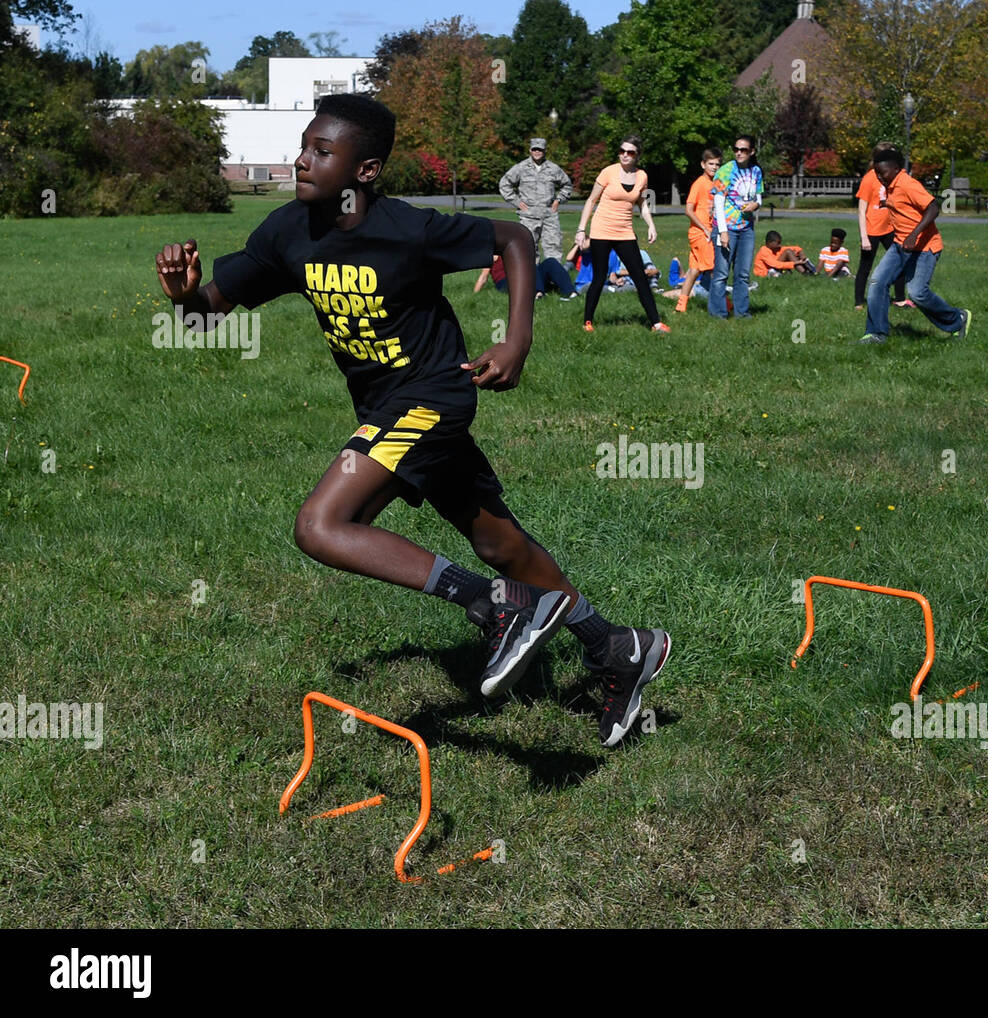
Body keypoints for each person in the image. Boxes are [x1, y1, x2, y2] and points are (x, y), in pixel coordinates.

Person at [154, 94, 669, 748]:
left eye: (321, 151)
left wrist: (516, 341)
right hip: (389, 412)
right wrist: (182, 295)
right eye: (304, 146)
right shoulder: (287, 233)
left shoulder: (408, 230)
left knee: (320, 525)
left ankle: (493, 605)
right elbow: (205, 315)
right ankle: (615, 647)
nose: (301, 161)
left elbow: (510, 239)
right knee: (500, 544)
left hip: (432, 398)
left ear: (366, 171)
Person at [860, 148, 971, 345]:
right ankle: (876, 333)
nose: (879, 176)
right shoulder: (890, 184)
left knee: (918, 293)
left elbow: (934, 207)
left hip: (924, 247)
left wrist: (914, 234)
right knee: (877, 282)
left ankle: (957, 319)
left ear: (896, 169)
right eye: (876, 172)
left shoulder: (908, 184)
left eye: (882, 172)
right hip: (899, 246)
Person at [573, 135, 669, 332]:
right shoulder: (608, 172)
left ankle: (656, 323)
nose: (625, 155)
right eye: (622, 151)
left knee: (640, 277)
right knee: (599, 276)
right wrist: (581, 230)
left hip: (625, 232)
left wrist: (651, 225)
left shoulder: (642, 176)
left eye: (630, 152)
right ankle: (587, 322)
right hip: (601, 229)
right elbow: (591, 200)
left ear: (637, 155)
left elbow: (642, 203)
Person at [709, 135, 764, 318]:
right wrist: (723, 231)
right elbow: (718, 201)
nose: (739, 153)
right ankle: (718, 314)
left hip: (746, 229)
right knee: (721, 274)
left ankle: (742, 313)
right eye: (736, 149)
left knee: (742, 274)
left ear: (752, 152)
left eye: (744, 150)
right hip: (727, 229)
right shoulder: (725, 171)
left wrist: (756, 205)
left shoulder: (756, 171)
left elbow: (758, 197)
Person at [498, 138, 572, 263]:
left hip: (549, 215)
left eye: (540, 149)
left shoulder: (553, 169)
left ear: (545, 151)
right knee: (529, 249)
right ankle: (533, 280)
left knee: (553, 248)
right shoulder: (521, 168)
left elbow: (567, 185)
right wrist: (517, 202)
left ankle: (552, 279)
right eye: (534, 149)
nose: (537, 152)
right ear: (530, 150)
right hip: (528, 216)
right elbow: (504, 184)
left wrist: (558, 200)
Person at [855, 146, 908, 310]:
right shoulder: (869, 178)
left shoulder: (896, 177)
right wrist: (864, 236)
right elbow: (861, 209)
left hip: (891, 228)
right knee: (865, 267)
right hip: (872, 230)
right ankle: (858, 302)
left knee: (899, 262)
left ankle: (900, 299)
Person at [676, 147, 721, 313]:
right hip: (701, 233)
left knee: (694, 271)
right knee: (715, 270)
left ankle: (681, 306)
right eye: (711, 164)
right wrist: (704, 228)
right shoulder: (699, 184)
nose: (714, 167)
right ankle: (725, 305)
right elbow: (688, 210)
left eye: (717, 164)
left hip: (706, 231)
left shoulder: (715, 183)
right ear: (703, 164)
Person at [474, 254, 577, 300]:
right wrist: (474, 295)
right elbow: (483, 277)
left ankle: (570, 292)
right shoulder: (491, 253)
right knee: (528, 265)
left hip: (524, 278)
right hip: (506, 282)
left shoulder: (513, 248)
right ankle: (538, 294)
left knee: (550, 262)